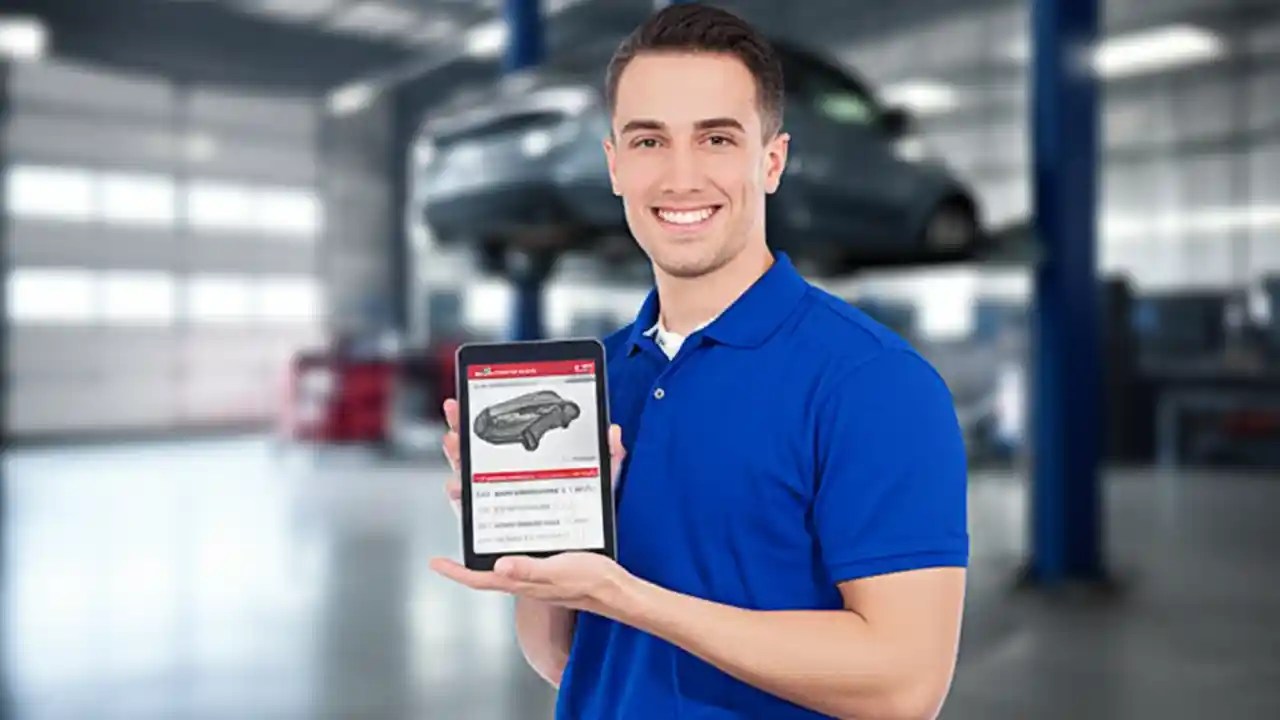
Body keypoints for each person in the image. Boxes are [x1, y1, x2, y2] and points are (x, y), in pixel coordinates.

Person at [430, 3, 969, 718]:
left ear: (771, 161)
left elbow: (903, 684)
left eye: (716, 138)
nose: (681, 177)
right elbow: (567, 657)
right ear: (615, 166)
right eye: (649, 142)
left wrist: (631, 597)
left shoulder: (874, 385)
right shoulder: (598, 382)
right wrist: (535, 544)